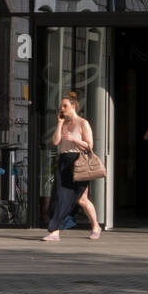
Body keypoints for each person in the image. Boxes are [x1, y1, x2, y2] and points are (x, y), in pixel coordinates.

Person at [43, 92, 102, 241]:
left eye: (65, 106)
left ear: (73, 106)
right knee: (59, 196)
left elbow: (89, 146)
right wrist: (60, 123)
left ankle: (95, 225)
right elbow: (56, 142)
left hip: (78, 161)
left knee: (82, 199)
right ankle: (55, 232)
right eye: (61, 106)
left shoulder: (83, 123)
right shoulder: (64, 123)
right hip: (63, 161)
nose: (62, 109)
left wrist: (75, 139)